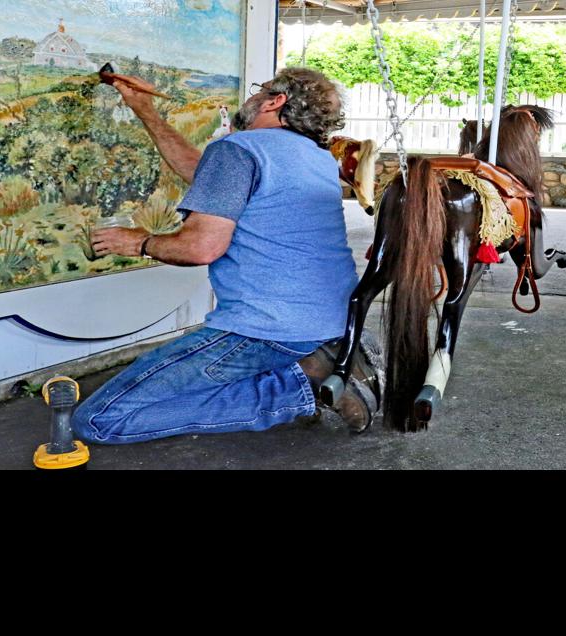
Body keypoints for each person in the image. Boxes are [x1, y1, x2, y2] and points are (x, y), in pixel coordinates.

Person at [73, 66, 382, 442]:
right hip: (329, 319)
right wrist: (145, 111)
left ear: (276, 101)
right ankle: (317, 364)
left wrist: (137, 242)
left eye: (260, 91)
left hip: (265, 329)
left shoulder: (238, 150)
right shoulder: (314, 158)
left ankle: (302, 390)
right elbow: (204, 175)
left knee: (97, 420)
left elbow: (201, 247)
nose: (250, 97)